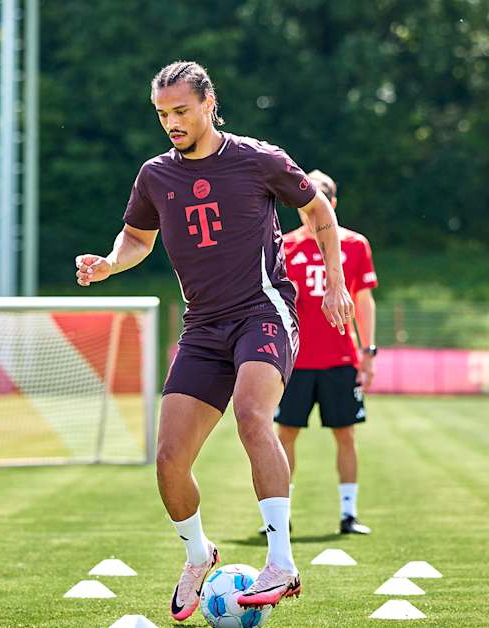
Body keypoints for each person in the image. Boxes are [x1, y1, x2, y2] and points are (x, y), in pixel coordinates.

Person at [74, 61, 353, 618]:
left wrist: (336, 285)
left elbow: (317, 209)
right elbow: (136, 236)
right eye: (162, 114)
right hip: (202, 327)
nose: (171, 122)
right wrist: (110, 264)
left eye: (180, 110)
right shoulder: (155, 175)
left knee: (254, 415)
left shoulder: (257, 159)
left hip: (262, 311)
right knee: (169, 461)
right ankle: (199, 554)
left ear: (208, 104)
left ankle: (281, 563)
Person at [263, 169, 378, 537]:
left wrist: (368, 351)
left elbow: (363, 300)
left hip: (340, 359)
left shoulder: (355, 245)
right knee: (285, 435)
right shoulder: (284, 245)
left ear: (333, 203)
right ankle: (279, 519)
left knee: (345, 434)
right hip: (294, 360)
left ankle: (348, 514)